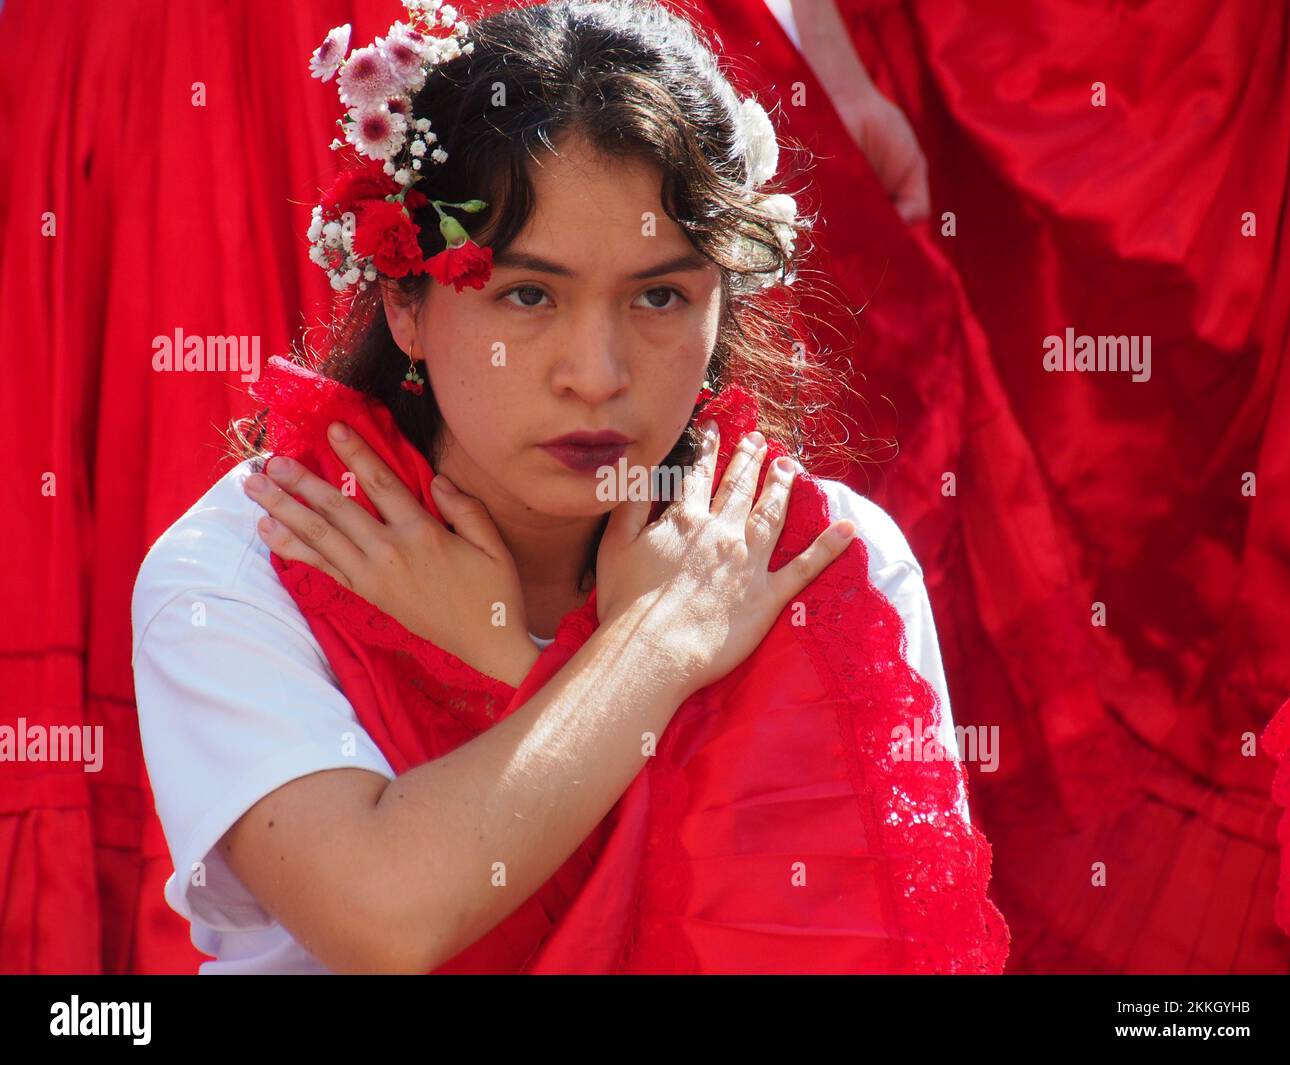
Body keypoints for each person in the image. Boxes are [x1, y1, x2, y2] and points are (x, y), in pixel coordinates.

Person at [131, 0, 1006, 974]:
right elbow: (387, 920)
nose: (596, 373)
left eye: (660, 296)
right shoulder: (250, 567)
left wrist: (501, 662)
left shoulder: (820, 562)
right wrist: (655, 647)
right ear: (405, 303)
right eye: (528, 295)